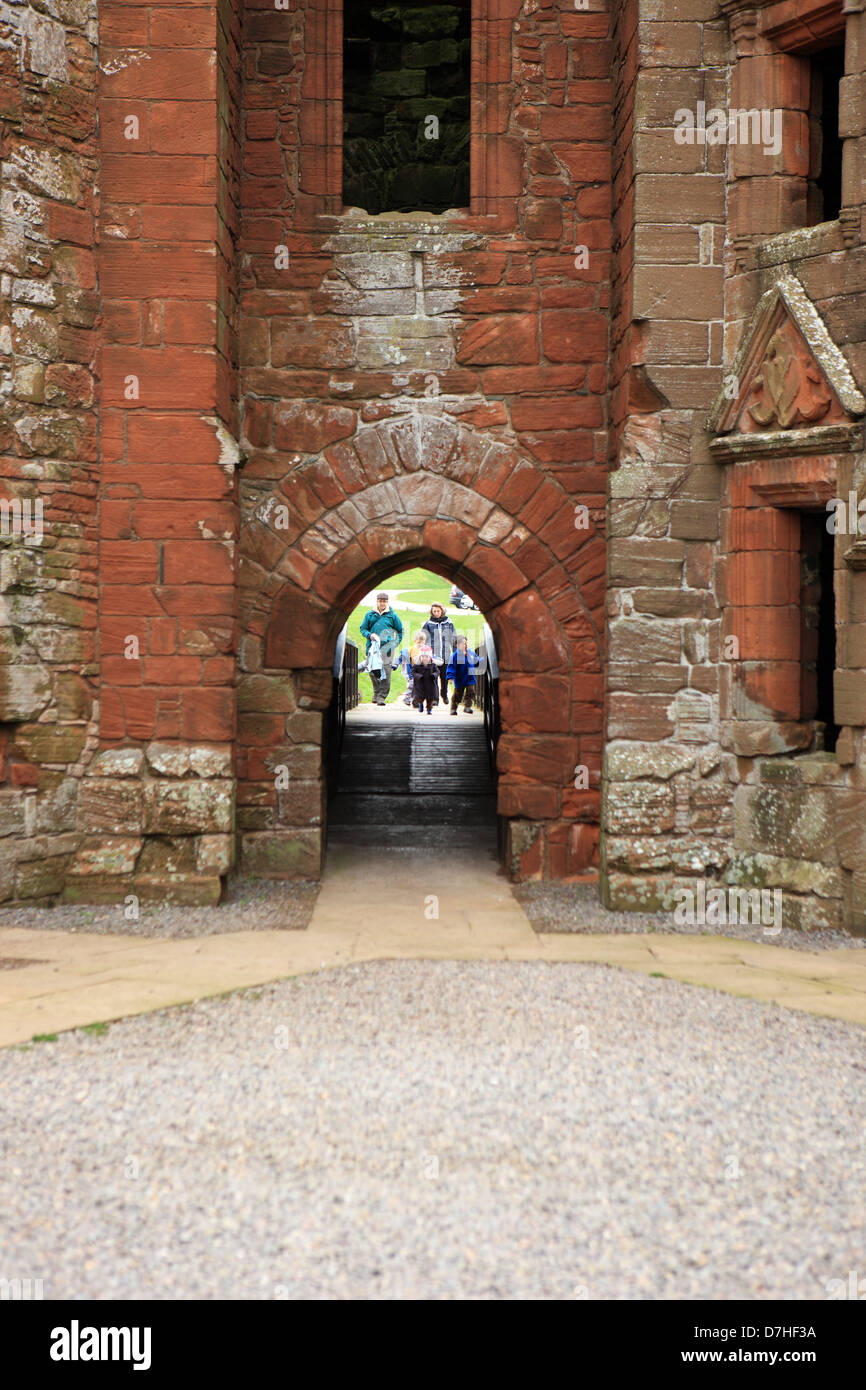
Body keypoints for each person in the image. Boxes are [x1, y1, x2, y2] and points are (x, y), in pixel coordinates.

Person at [359, 591, 404, 706]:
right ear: (377, 601)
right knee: (372, 670)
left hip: (387, 648)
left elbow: (400, 630)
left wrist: (395, 642)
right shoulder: (370, 614)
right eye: (380, 601)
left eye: (384, 601)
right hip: (372, 648)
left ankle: (381, 696)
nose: (382, 603)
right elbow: (363, 628)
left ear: (387, 602)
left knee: (385, 670)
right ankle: (376, 692)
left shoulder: (392, 615)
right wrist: (370, 635)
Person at [422, 602, 455, 705]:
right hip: (433, 656)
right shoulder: (428, 624)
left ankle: (444, 695)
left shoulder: (448, 623)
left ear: (442, 611)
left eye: (438, 611)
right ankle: (434, 699)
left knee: (444, 678)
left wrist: (455, 652)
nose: (436, 613)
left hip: (445, 655)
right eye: (434, 611)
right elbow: (423, 638)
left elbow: (453, 638)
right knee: (433, 678)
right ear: (431, 612)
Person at [446, 633, 479, 714]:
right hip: (460, 678)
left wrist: (480, 661)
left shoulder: (470, 652)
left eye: (465, 642)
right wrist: (450, 677)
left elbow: (476, 661)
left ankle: (467, 707)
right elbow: (451, 667)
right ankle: (453, 708)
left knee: (470, 692)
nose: (464, 645)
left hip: (470, 677)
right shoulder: (455, 655)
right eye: (462, 643)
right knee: (458, 694)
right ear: (457, 645)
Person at [411, 648, 439, 715]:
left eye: (427, 657)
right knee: (420, 697)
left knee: (430, 698)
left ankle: (429, 709)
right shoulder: (417, 665)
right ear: (420, 657)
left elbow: (437, 671)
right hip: (420, 684)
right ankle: (420, 704)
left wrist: (434, 675)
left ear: (430, 658)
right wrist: (418, 676)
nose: (425, 658)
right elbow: (413, 672)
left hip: (430, 685)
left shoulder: (433, 665)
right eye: (423, 657)